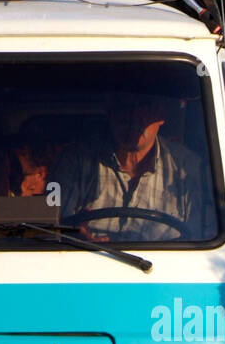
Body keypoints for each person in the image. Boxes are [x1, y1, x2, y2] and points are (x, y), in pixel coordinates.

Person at [53, 95, 206, 240]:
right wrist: (75, 236)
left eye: (145, 105)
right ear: (110, 110)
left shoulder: (188, 168)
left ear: (161, 114)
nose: (133, 116)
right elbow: (51, 229)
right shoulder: (76, 161)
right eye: (123, 105)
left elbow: (203, 241)